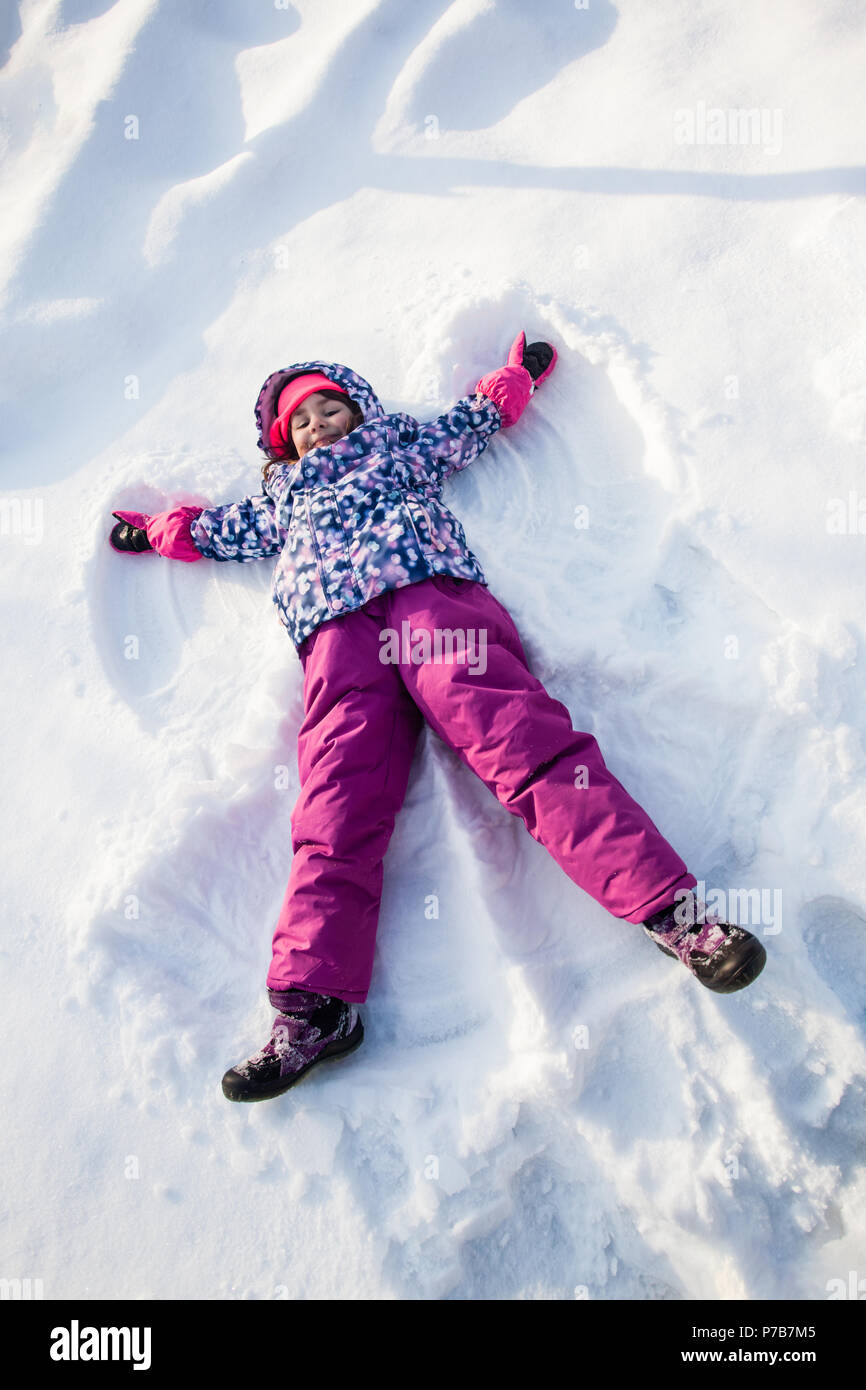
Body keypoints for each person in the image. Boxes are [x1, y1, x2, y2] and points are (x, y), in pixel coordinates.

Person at [110, 333, 767, 1103]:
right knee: (335, 807)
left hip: (432, 602)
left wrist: (513, 380)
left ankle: (674, 914)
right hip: (335, 638)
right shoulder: (282, 501)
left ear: (360, 410)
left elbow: (471, 425)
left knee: (528, 749)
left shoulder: (399, 447)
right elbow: (218, 533)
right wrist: (158, 533)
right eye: (303, 421)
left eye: (332, 406)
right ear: (285, 445)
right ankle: (316, 1009)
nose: (321, 423)